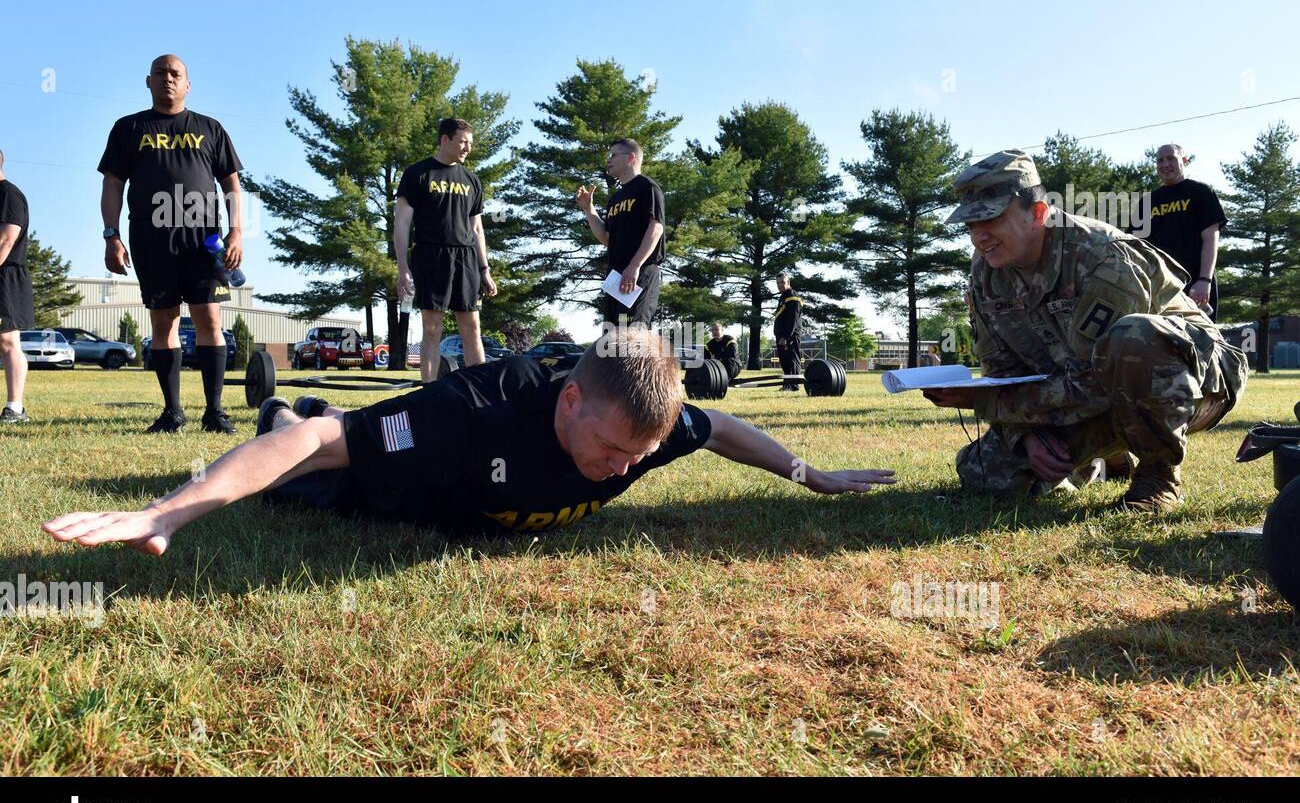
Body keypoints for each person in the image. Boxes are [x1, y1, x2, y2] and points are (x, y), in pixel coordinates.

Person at [42, 329, 895, 555]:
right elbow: (327, 449)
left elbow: (721, 428)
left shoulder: (644, 424)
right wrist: (171, 511)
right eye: (612, 452)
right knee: (305, 439)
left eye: (641, 455)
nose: (627, 469)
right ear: (567, 404)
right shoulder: (471, 411)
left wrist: (807, 472)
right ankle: (279, 405)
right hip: (372, 491)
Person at [924, 149, 1248, 512]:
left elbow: (1091, 384)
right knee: (984, 473)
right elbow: (1003, 373)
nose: (979, 237)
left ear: (1039, 213)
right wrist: (1026, 435)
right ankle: (1108, 455)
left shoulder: (1101, 255)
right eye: (970, 226)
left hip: (1194, 381)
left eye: (991, 220)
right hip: (1089, 392)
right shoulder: (987, 272)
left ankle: (1158, 479)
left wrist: (984, 402)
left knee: (1132, 338)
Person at [98, 54, 244, 434]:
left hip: (203, 239)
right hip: (151, 238)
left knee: (209, 318)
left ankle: (215, 412)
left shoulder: (209, 128)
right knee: (164, 320)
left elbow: (231, 183)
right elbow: (113, 183)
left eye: (175, 74)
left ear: (187, 84)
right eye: (160, 73)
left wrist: (237, 231)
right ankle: (172, 412)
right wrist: (110, 235)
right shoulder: (128, 128)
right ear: (148, 81)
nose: (168, 79)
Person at [394, 117, 497, 383]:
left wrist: (484, 269)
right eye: (462, 142)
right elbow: (402, 223)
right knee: (432, 328)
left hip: (465, 259)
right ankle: (429, 393)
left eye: (470, 143)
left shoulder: (472, 180)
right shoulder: (417, 173)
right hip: (430, 255)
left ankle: (479, 391)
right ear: (445, 140)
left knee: (472, 327)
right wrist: (403, 267)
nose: (467, 148)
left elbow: (477, 229)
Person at [575, 139, 666, 330]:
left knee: (632, 336)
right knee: (612, 337)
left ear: (630, 158)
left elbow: (656, 228)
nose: (608, 159)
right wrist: (589, 209)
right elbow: (606, 238)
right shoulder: (615, 198)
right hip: (616, 276)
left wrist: (634, 266)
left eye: (614, 155)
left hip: (640, 272)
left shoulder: (647, 187)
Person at [1143, 143, 1227, 318]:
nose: (1165, 164)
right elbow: (1138, 247)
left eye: (1171, 158)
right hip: (1159, 288)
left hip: (1194, 286)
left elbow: (1211, 238)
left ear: (1184, 160)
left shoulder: (1201, 192)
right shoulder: (1148, 202)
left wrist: (1204, 280)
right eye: (1160, 160)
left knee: (1200, 342)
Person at [0, 149, 33, 424]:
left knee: (8, 340)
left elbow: (6, 241)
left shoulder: (9, 195)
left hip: (6, 277)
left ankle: (15, 408)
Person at [773, 272, 802, 391]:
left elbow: (793, 320)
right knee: (784, 360)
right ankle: (787, 383)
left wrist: (785, 336)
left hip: (789, 335)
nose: (780, 285)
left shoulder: (792, 296)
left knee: (792, 359)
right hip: (782, 335)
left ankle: (793, 385)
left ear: (788, 283)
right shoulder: (783, 296)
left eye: (782, 282)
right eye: (778, 283)